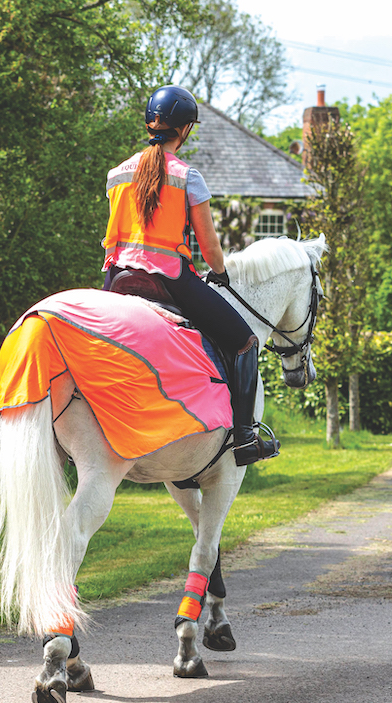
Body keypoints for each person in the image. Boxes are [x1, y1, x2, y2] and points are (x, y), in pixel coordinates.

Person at [101, 85, 279, 466]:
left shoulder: (116, 175)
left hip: (117, 280)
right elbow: (211, 250)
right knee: (246, 343)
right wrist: (221, 274)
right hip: (168, 279)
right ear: (184, 130)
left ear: (151, 124)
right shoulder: (187, 176)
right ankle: (246, 438)